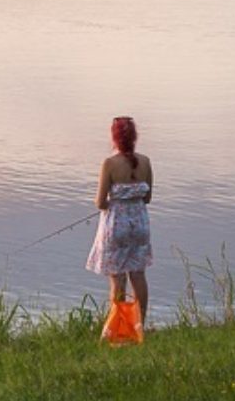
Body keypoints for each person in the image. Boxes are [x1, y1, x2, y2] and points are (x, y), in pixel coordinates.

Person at [86, 116, 153, 324]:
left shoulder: (109, 163)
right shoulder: (145, 161)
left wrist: (112, 205)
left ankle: (119, 326)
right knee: (138, 275)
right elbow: (147, 198)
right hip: (140, 225)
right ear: (134, 137)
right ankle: (139, 323)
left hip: (117, 227)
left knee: (117, 279)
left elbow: (100, 202)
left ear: (114, 138)